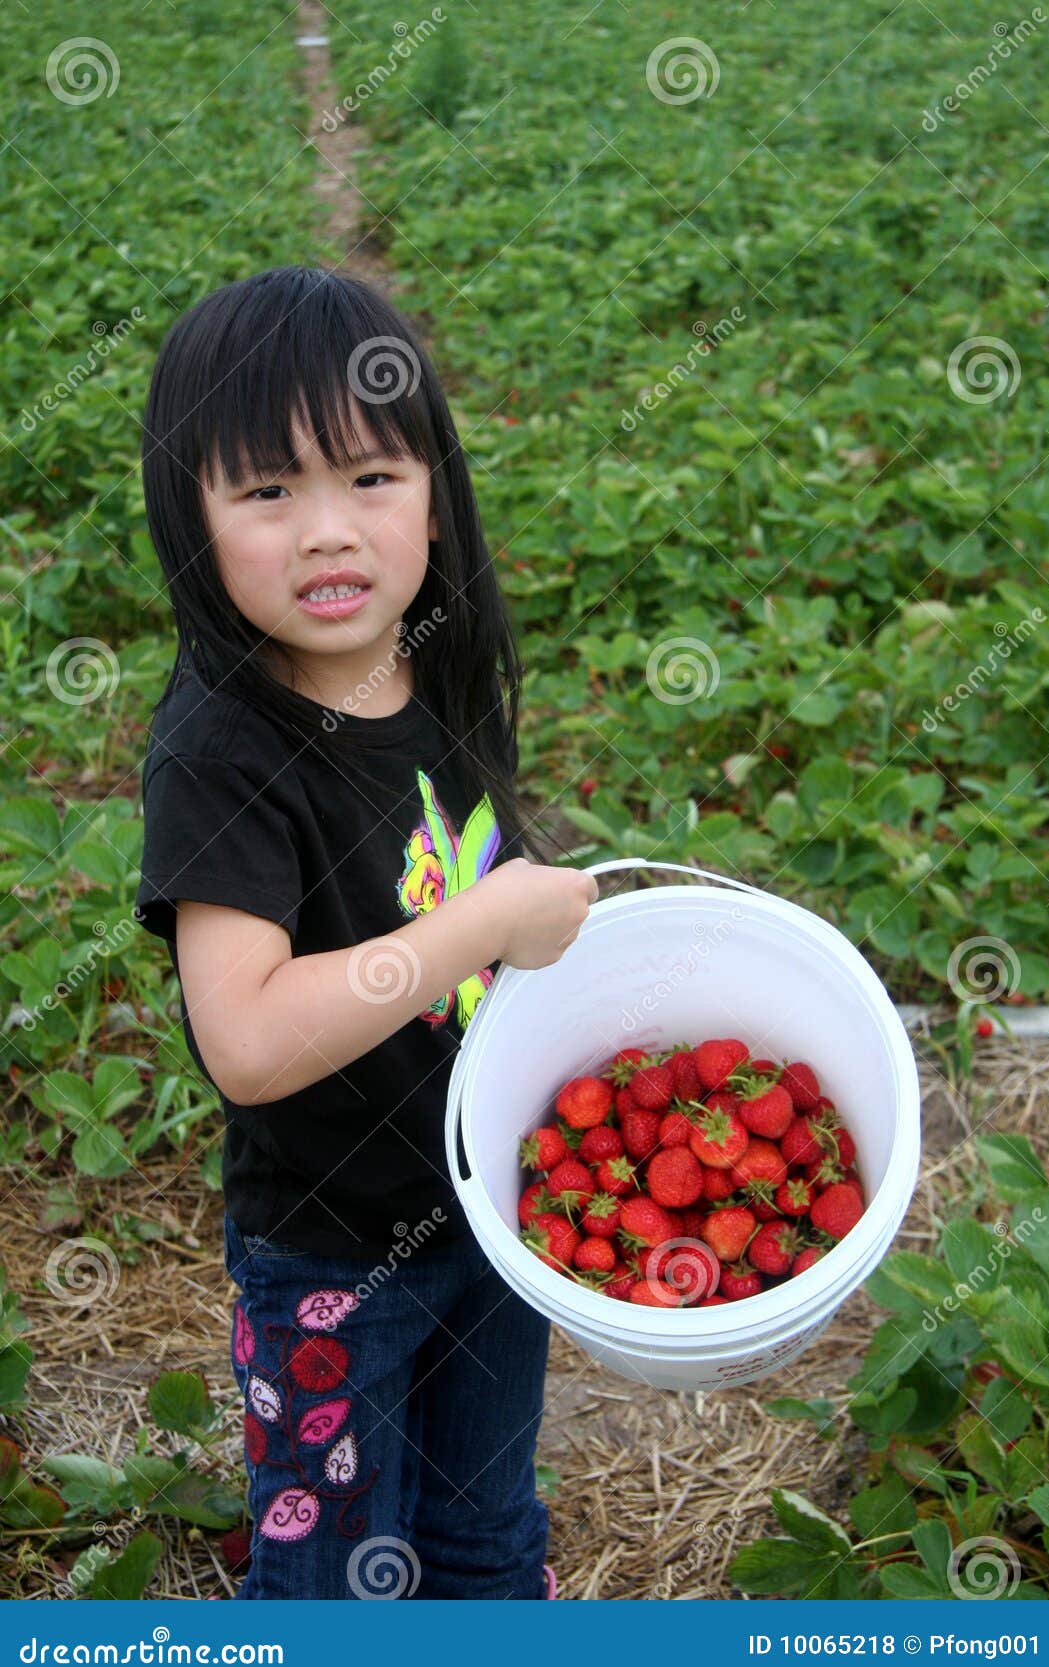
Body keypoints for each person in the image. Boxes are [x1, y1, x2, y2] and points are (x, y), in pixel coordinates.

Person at [133, 264, 598, 1599]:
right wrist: (479, 926)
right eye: (268, 492)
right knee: (341, 1574)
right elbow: (251, 1039)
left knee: (486, 1532)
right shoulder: (223, 748)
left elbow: (454, 874)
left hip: (487, 1204)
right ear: (194, 516)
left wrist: (525, 920)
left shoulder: (434, 658)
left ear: (436, 494)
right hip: (332, 1258)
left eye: (371, 481)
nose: (327, 532)